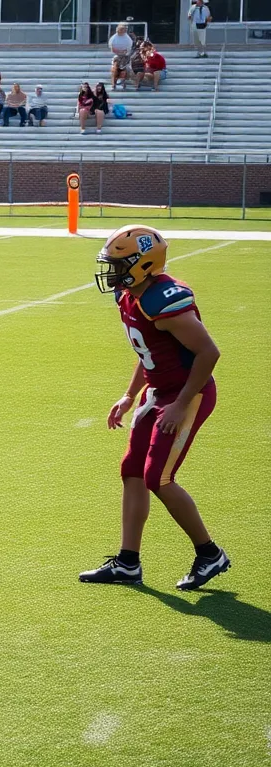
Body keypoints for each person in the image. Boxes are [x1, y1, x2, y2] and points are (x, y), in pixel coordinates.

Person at [80, 226, 227, 591]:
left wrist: (179, 404)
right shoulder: (130, 295)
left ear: (142, 264)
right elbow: (148, 351)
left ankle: (209, 553)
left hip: (186, 394)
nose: (111, 272)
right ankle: (128, 563)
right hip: (159, 391)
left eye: (118, 264)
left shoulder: (163, 302)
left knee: (157, 478)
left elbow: (209, 353)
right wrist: (130, 394)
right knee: (131, 470)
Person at [109, 23, 133, 89]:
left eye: (123, 30)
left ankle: (123, 83)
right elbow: (112, 48)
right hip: (116, 55)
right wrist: (118, 52)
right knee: (114, 69)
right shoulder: (113, 38)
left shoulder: (128, 39)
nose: (121, 31)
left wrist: (123, 52)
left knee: (124, 70)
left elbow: (128, 48)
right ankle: (113, 84)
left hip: (125, 56)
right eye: (120, 29)